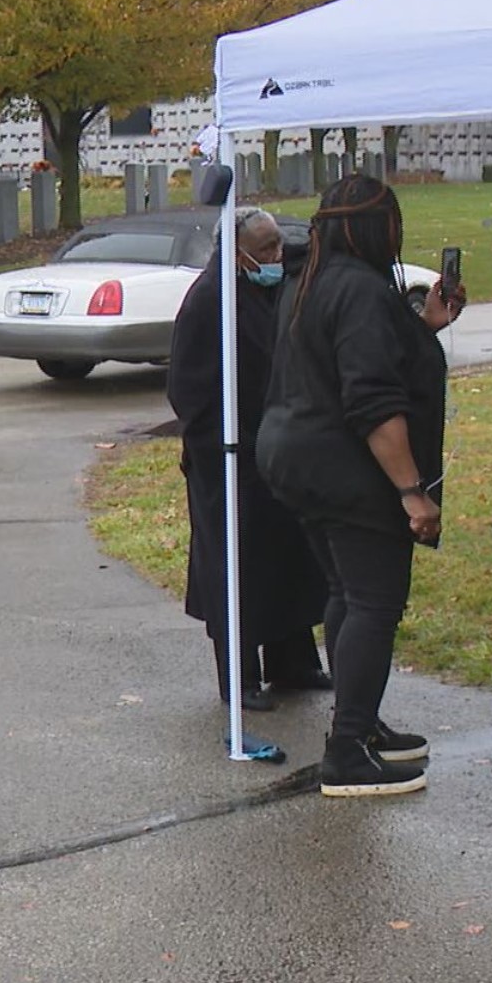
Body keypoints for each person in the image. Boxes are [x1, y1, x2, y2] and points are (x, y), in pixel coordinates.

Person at [258, 175, 455, 797]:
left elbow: (359, 362)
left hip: (296, 459)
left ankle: (358, 723)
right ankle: (347, 750)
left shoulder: (308, 281)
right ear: (377, 227)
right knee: (374, 600)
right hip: (345, 470)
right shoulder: (362, 291)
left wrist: (424, 327)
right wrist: (411, 491)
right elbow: (373, 402)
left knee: (345, 591)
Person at [168, 208, 330, 712]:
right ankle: (239, 677)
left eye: (278, 248)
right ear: (235, 253)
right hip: (229, 458)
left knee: (289, 559)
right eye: (265, 252)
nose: (276, 259)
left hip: (275, 448)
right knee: (238, 568)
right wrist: (229, 445)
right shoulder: (210, 302)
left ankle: (293, 661)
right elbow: (190, 391)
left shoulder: (262, 287)